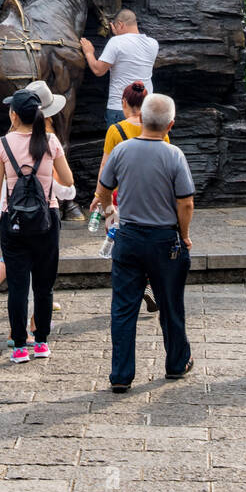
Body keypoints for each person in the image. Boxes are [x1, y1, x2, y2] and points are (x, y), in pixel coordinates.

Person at [96, 93, 195, 392]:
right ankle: (177, 363)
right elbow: (186, 202)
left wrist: (111, 213)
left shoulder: (122, 150)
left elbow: (102, 190)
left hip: (128, 237)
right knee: (170, 304)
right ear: (170, 124)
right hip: (165, 239)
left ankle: (121, 375)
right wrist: (185, 233)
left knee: (123, 308)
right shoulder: (174, 154)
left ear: (141, 120)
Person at [0, 89, 74, 364]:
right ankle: (41, 343)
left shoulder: (2, 143)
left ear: (14, 114)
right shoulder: (50, 141)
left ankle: (18, 347)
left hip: (12, 221)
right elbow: (69, 180)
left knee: (17, 286)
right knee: (44, 286)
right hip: (47, 220)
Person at [93, 79, 169, 314]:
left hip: (119, 199)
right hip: (151, 199)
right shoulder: (159, 131)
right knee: (147, 242)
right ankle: (147, 284)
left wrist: (98, 195)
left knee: (122, 244)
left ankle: (130, 291)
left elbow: (106, 168)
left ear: (124, 102)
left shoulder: (115, 130)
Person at [80, 8, 159, 126]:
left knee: (120, 144)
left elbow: (98, 70)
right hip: (145, 108)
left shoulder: (116, 42)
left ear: (120, 24)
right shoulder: (153, 43)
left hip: (120, 108)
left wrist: (89, 53)